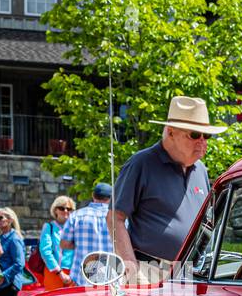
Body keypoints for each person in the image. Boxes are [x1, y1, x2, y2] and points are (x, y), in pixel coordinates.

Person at [109, 96, 227, 284]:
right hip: (148, 272)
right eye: (195, 134)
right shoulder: (141, 164)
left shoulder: (201, 170)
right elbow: (115, 218)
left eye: (207, 135)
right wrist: (130, 267)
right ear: (171, 132)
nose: (203, 141)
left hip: (191, 274)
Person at [63, 182, 114, 286]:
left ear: (93, 195)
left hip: (82, 278)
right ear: (111, 198)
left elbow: (64, 244)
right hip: (111, 278)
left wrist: (79, 244)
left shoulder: (76, 216)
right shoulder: (119, 219)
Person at [39, 196, 76, 290]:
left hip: (73, 274)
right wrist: (60, 273)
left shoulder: (76, 229)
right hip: (54, 273)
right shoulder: (49, 227)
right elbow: (45, 252)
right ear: (55, 210)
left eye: (69, 209)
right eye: (62, 208)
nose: (66, 211)